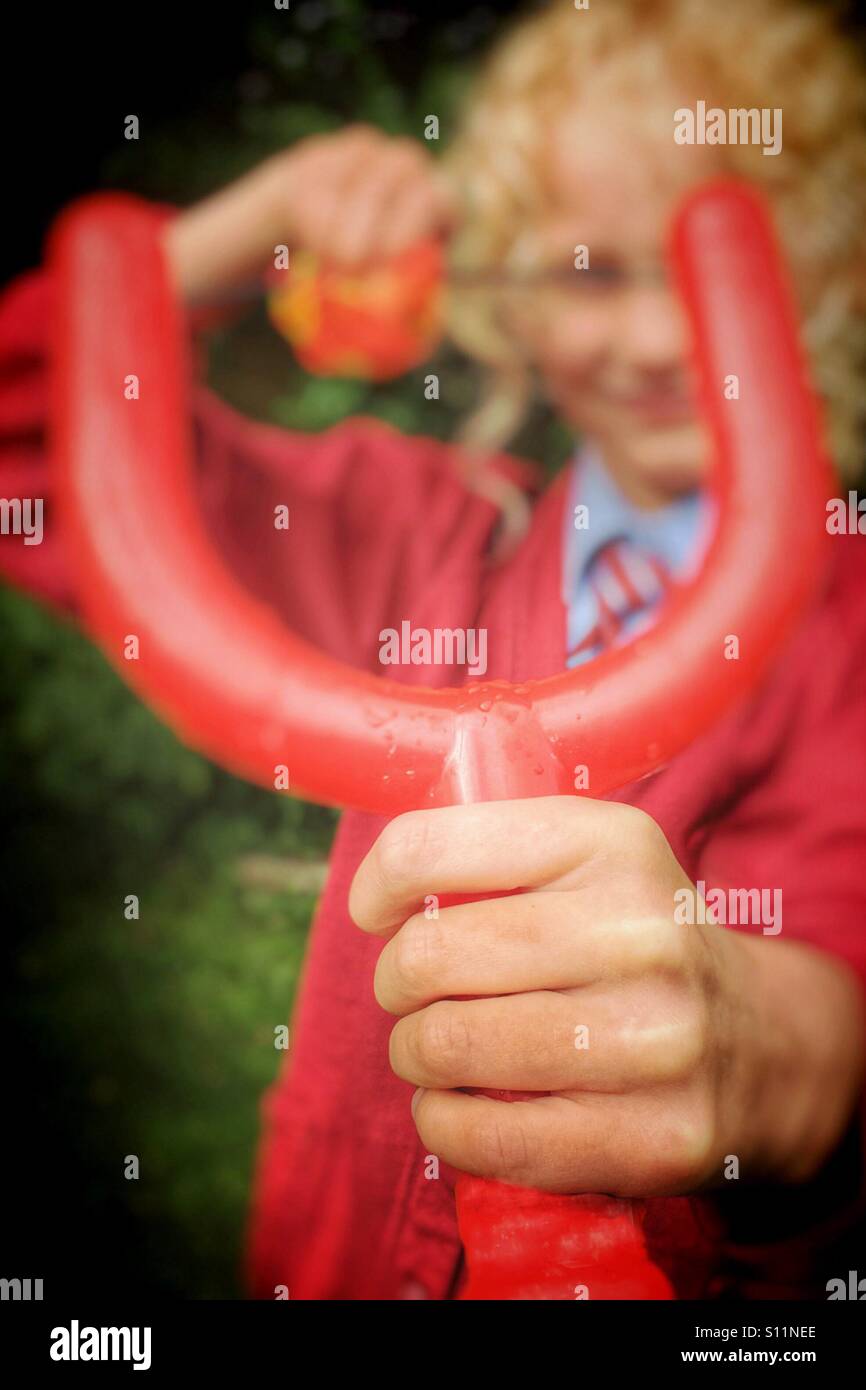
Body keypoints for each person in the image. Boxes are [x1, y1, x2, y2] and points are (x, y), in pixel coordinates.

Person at [2, 0, 866, 1299]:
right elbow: (38, 438)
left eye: (711, 275)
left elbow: (834, 1015)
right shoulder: (423, 532)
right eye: (588, 272)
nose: (652, 343)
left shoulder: (843, 627)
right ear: (507, 291)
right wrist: (245, 239)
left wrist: (742, 1052)